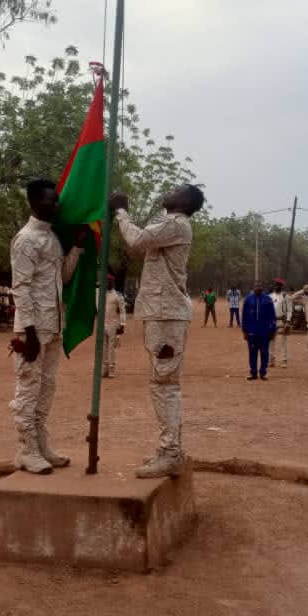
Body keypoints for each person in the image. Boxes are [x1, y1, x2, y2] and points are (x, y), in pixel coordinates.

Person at [110, 183, 205, 478]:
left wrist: (121, 211)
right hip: (162, 312)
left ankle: (170, 453)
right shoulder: (171, 225)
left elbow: (137, 241)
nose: (170, 191)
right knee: (163, 384)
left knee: (164, 385)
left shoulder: (175, 223)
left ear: (185, 203)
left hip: (166, 313)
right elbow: (140, 245)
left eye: (178, 191)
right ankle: (170, 450)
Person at [8, 179, 83, 475]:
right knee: (28, 387)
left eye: (55, 200)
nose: (54, 205)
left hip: (52, 325)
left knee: (46, 387)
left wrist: (77, 248)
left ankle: (41, 445)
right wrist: (28, 332)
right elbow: (20, 287)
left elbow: (63, 277)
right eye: (49, 200)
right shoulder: (26, 240)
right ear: (33, 202)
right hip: (32, 329)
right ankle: (26, 449)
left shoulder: (52, 238)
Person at [242, 281, 276, 380]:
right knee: (252, 353)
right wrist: (244, 331)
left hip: (264, 331)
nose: (258, 288)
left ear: (262, 287)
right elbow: (244, 316)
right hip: (252, 331)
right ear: (253, 287)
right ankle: (253, 373)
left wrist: (272, 330)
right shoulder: (248, 299)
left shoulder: (268, 299)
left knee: (264, 353)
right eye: (256, 286)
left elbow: (272, 316)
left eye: (260, 286)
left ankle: (263, 373)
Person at [102, 273, 127, 378]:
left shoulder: (117, 296)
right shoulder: (101, 295)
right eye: (106, 281)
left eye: (110, 281)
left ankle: (111, 370)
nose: (108, 283)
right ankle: (104, 369)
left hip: (113, 325)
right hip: (102, 325)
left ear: (113, 283)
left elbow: (122, 311)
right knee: (103, 348)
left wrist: (122, 324)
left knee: (112, 348)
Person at [269, 278, 290, 369]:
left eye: (279, 285)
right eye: (276, 285)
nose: (277, 286)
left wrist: (288, 321)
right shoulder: (270, 296)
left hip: (282, 321)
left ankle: (284, 360)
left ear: (282, 286)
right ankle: (271, 360)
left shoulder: (285, 296)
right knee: (270, 342)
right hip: (272, 321)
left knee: (283, 342)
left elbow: (289, 310)